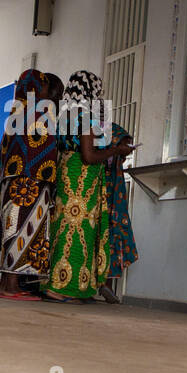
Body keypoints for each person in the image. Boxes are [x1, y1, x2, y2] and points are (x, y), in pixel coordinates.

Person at [44, 72, 131, 302]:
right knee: (78, 230)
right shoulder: (85, 115)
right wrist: (115, 150)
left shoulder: (64, 115)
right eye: (98, 91)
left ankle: (61, 284)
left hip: (66, 173)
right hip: (81, 180)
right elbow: (89, 156)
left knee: (64, 229)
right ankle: (62, 287)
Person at [0, 69, 61, 301]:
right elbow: (48, 148)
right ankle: (11, 286)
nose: (46, 92)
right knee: (24, 231)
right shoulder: (42, 110)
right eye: (43, 86)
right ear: (35, 86)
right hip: (31, 181)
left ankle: (5, 283)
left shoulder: (16, 110)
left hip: (10, 183)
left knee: (11, 232)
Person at [99, 122, 138, 304]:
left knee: (111, 232)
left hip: (112, 190)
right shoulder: (85, 127)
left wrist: (124, 148)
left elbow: (125, 141)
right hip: (93, 185)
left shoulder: (111, 128)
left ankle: (105, 283)